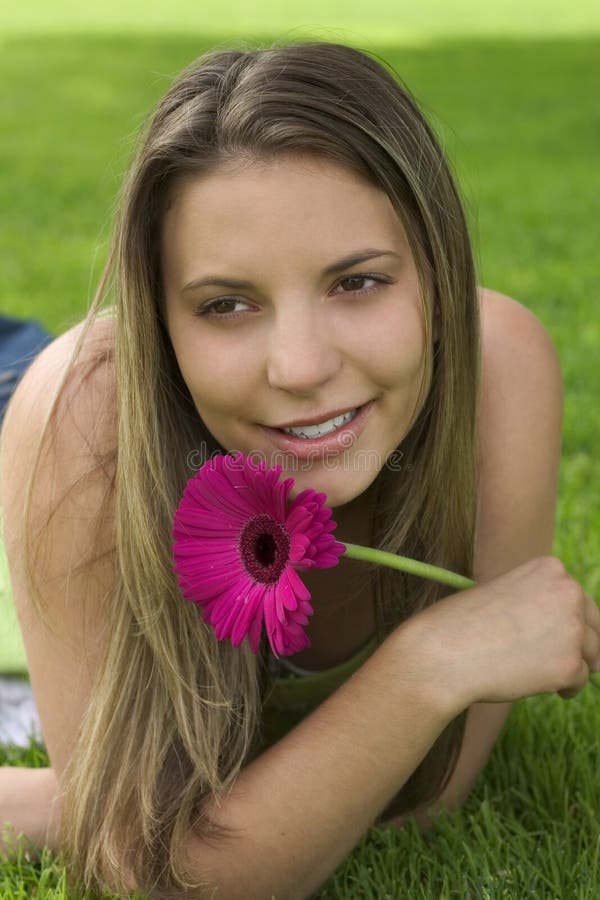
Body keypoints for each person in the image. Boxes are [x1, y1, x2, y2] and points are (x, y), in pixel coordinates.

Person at [0, 39, 598, 900]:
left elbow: (421, 798)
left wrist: (167, 809)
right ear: (157, 320)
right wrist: (428, 663)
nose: (300, 366)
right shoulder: (85, 420)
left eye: (356, 283)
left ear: (437, 267)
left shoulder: (499, 370)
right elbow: (154, 878)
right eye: (226, 304)